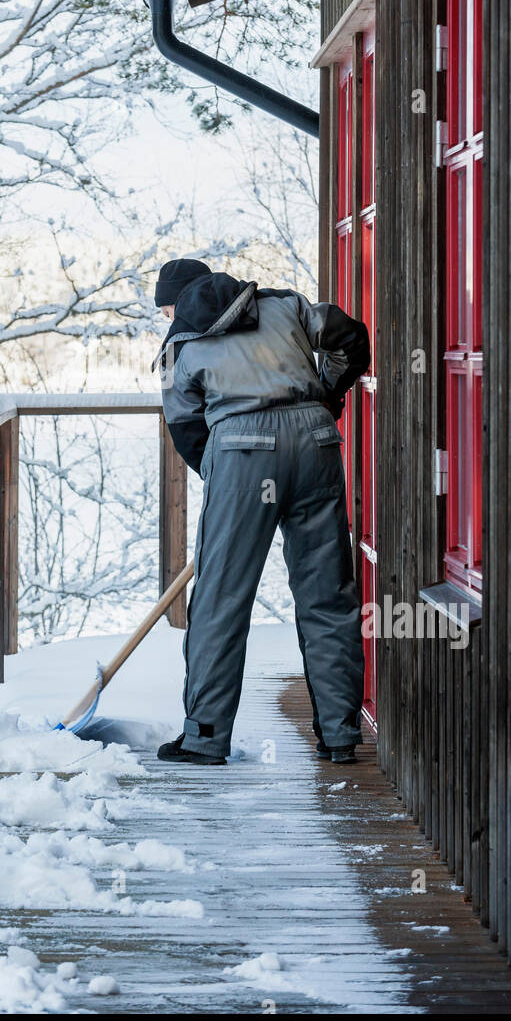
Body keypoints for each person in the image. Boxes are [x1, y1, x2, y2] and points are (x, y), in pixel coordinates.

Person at [152, 257, 370, 767]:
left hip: (242, 457)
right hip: (317, 443)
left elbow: (186, 429)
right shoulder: (285, 304)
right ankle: (339, 735)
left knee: (221, 597)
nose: (169, 320)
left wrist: (230, 478)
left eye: (168, 310)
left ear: (182, 301)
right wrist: (327, 393)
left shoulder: (179, 347)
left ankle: (205, 737)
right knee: (328, 594)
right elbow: (350, 338)